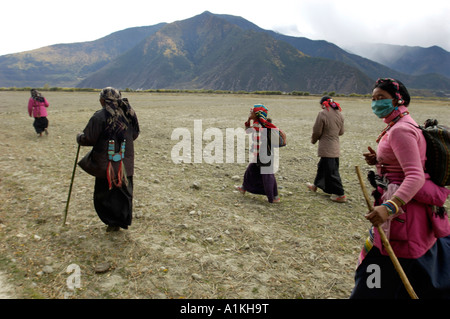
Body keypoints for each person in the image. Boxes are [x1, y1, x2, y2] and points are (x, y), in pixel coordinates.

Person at [350, 78, 450, 298]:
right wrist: (378, 160)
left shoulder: (400, 130)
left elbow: (415, 176)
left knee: (383, 271)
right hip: (412, 211)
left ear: (398, 99)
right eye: (373, 98)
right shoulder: (400, 124)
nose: (375, 103)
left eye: (381, 98)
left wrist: (390, 207)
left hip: (404, 214)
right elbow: (403, 164)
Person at [77, 87, 140, 232]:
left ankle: (112, 223)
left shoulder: (100, 116)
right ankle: (120, 222)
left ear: (102, 100)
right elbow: (135, 134)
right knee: (123, 193)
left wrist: (79, 137)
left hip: (106, 165)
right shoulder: (129, 113)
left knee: (105, 194)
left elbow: (89, 138)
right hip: (125, 163)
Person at [235, 104, 281, 203]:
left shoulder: (258, 124)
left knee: (267, 174)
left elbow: (259, 141)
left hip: (263, 153)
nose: (249, 113)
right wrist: (248, 120)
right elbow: (248, 131)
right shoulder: (258, 123)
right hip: (263, 153)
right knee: (251, 170)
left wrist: (258, 155)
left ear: (256, 114)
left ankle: (273, 198)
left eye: (251, 112)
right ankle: (244, 188)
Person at [307, 96, 346, 203]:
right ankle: (315, 186)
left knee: (331, 171)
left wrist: (313, 140)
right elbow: (341, 132)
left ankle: (340, 194)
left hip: (326, 145)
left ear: (323, 104)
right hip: (335, 145)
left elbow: (317, 131)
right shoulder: (340, 114)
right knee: (322, 166)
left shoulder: (322, 113)